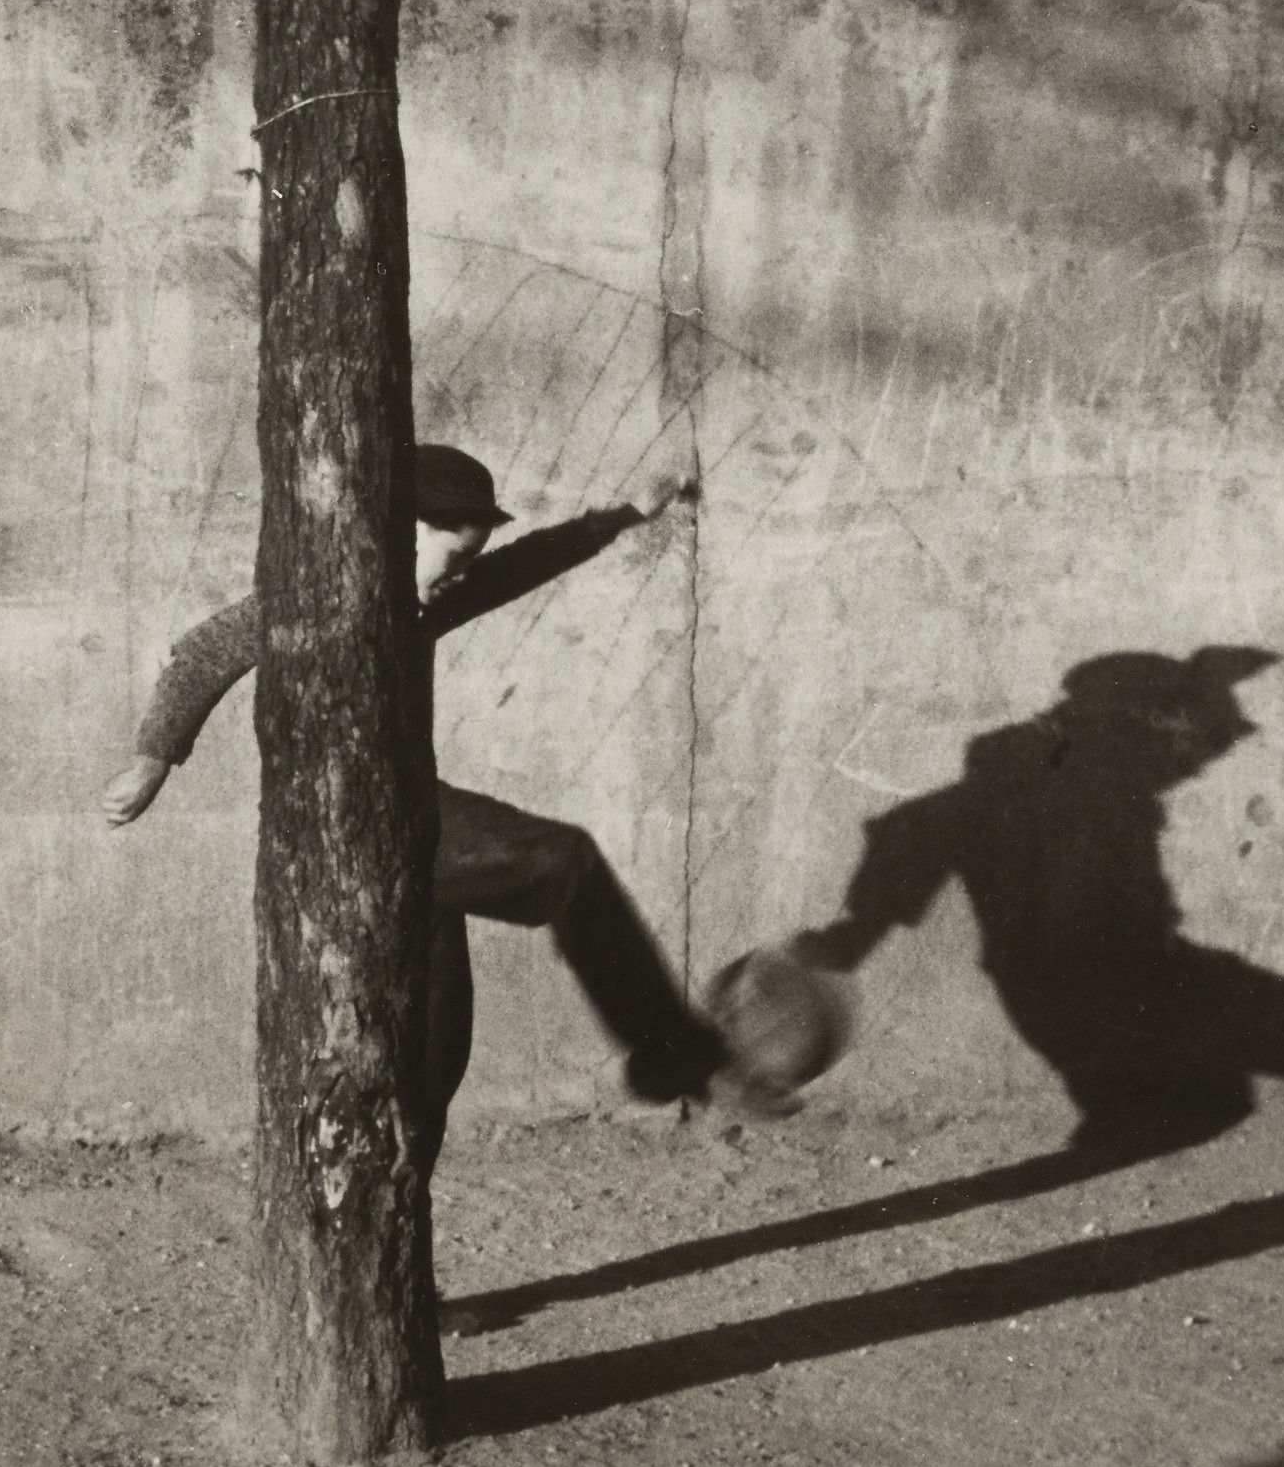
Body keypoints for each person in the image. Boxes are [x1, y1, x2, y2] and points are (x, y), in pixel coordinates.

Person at [103, 442, 785, 1175]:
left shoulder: (426, 592)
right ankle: (673, 1055)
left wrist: (625, 515)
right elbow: (207, 652)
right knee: (565, 862)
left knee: (433, 1055)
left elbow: (521, 565)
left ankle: (398, 1283)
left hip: (408, 822)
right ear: (397, 533)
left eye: (467, 560)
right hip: (351, 826)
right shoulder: (314, 593)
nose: (459, 576)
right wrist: (152, 760)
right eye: (451, 557)